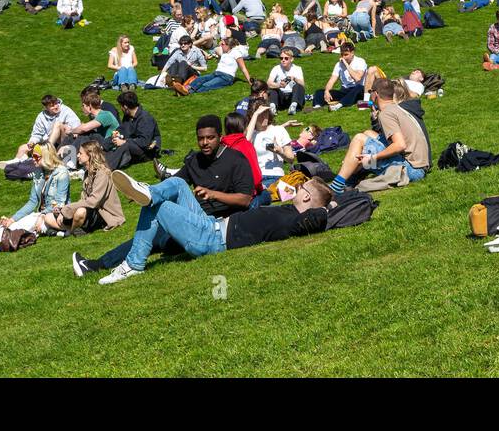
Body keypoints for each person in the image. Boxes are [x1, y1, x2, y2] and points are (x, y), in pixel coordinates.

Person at [74, 170, 333, 283]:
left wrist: (327, 207)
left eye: (304, 188)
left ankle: (132, 265)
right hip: (212, 225)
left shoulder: (298, 220)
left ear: (308, 198)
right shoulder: (291, 210)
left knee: (159, 209)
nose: (299, 187)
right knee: (176, 184)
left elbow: (317, 218)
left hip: (211, 239)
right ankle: (149, 192)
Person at [327, 78, 430, 195]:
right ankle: (350, 179)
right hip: (421, 165)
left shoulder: (386, 113)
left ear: (375, 94)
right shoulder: (398, 108)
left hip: (411, 169)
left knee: (359, 139)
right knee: (368, 134)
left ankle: (337, 186)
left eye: (370, 91)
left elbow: (400, 145)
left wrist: (373, 158)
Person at [104, 89, 161, 171]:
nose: (121, 108)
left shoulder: (145, 118)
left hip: (148, 152)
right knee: (113, 143)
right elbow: (123, 129)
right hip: (135, 146)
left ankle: (106, 168)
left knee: (125, 145)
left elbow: (145, 142)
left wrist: (125, 141)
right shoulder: (128, 116)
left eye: (121, 106)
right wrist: (117, 134)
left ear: (125, 107)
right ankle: (99, 160)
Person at [181, 36, 251, 95]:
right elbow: (216, 50)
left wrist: (250, 81)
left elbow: (243, 68)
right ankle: (185, 88)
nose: (221, 45)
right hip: (216, 73)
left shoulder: (236, 53)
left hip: (226, 77)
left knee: (207, 85)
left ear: (228, 45)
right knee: (200, 79)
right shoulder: (224, 52)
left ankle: (188, 92)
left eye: (223, 44)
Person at [313, 41, 368, 109]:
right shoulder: (338, 64)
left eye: (346, 55)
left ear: (352, 53)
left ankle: (339, 105)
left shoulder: (360, 61)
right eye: (342, 55)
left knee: (359, 87)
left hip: (358, 90)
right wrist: (327, 91)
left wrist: (346, 65)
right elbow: (332, 80)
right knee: (319, 92)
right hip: (345, 91)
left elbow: (357, 78)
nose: (343, 57)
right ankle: (317, 106)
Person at [267, 48, 307, 114]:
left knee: (297, 85)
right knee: (273, 89)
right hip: (281, 96)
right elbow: (268, 83)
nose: (283, 60)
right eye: (281, 58)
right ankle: (272, 107)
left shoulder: (297, 69)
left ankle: (293, 106)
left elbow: (302, 84)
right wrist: (279, 85)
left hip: (293, 95)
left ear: (291, 59)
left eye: (286, 58)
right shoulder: (276, 68)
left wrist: (294, 79)